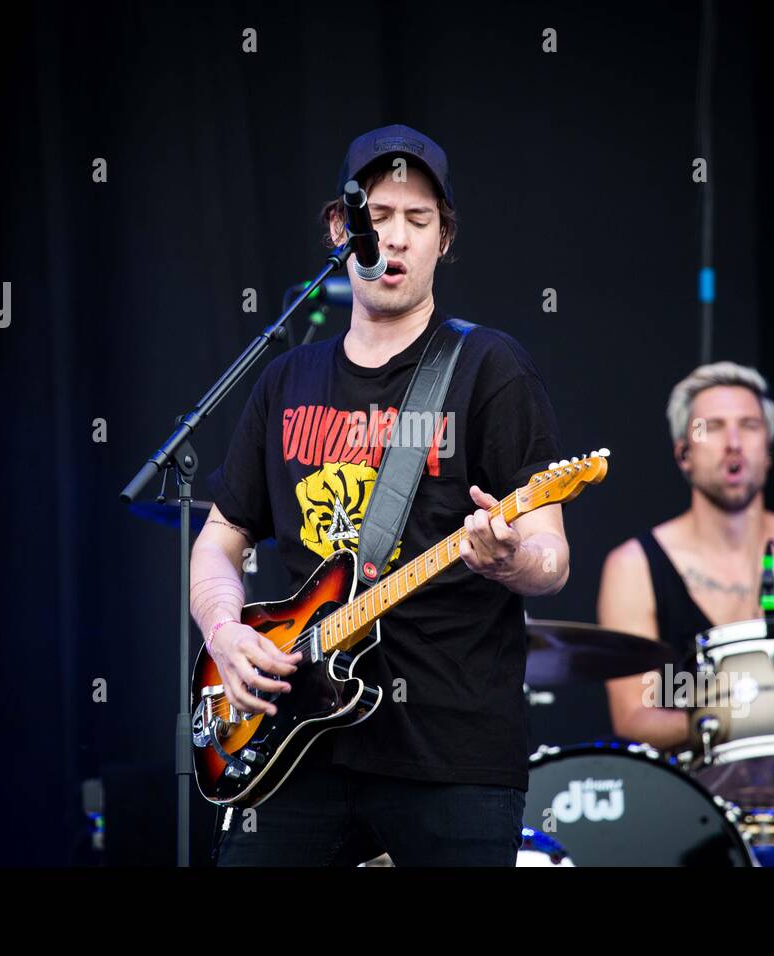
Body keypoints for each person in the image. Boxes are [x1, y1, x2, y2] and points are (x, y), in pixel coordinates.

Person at [190, 124, 570, 866]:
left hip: (449, 756)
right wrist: (225, 633)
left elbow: (552, 555)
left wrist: (508, 559)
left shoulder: (490, 368)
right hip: (291, 743)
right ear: (341, 228)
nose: (394, 238)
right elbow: (220, 537)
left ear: (444, 239)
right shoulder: (285, 379)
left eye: (417, 220)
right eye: (378, 216)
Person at [598, 361, 774, 749]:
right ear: (683, 454)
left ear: (767, 450)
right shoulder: (632, 565)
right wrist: (748, 721)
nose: (733, 442)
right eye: (713, 427)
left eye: (749, 426)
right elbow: (633, 718)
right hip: (694, 799)